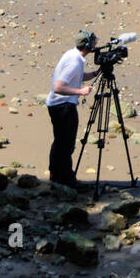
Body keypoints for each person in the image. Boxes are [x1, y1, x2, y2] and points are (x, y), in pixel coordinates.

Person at [46, 30, 98, 188]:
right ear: (88, 45)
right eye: (94, 42)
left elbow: (78, 76)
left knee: (60, 142)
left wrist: (96, 73)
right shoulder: (75, 61)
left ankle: (55, 175)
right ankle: (67, 180)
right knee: (66, 144)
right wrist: (80, 92)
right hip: (63, 106)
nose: (96, 45)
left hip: (56, 105)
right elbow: (58, 87)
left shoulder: (72, 55)